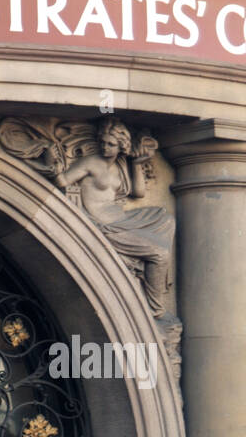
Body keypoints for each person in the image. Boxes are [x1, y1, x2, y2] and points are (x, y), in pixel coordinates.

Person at [52, 119, 173, 316]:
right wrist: (52, 163)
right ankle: (154, 309)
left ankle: (151, 280)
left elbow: (139, 193)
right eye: (103, 142)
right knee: (160, 254)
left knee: (165, 218)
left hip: (121, 219)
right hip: (103, 225)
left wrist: (137, 163)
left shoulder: (120, 166)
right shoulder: (91, 163)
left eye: (111, 144)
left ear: (122, 146)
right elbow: (63, 180)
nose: (105, 148)